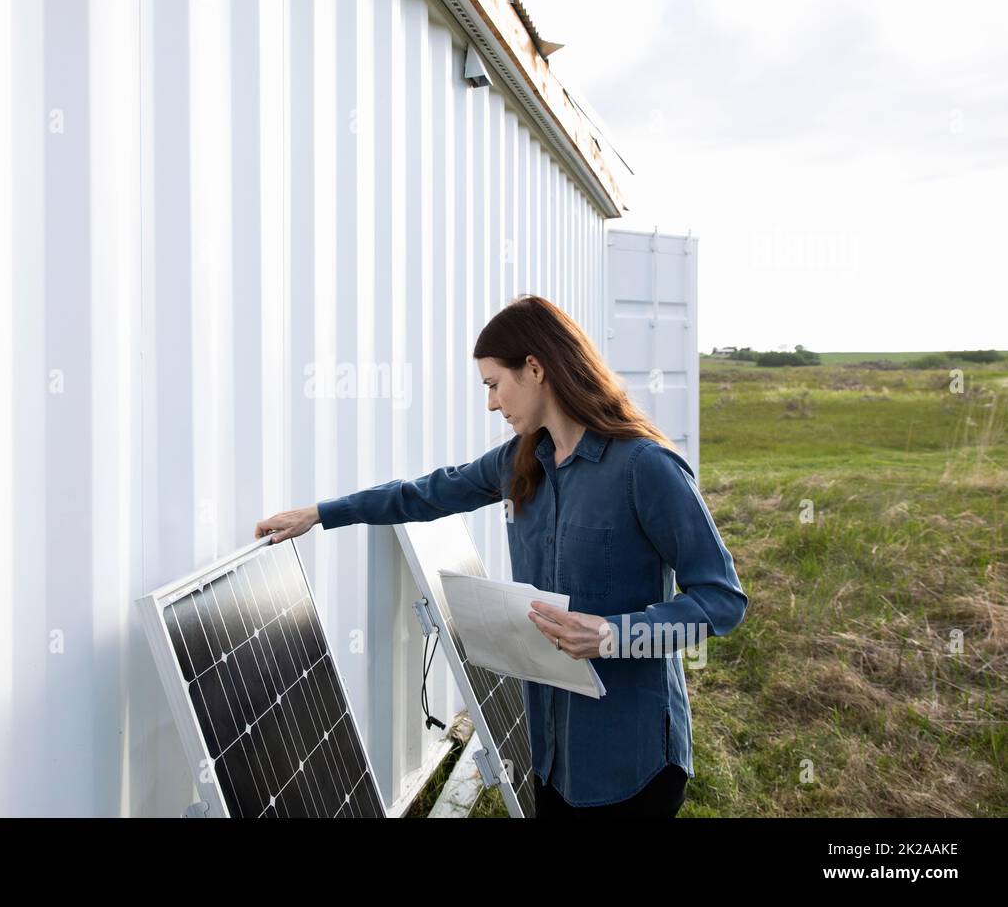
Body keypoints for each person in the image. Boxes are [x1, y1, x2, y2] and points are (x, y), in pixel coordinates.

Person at [254, 294, 748, 817]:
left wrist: (610, 635)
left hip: (630, 760)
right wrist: (320, 513)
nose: (491, 402)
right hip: (552, 755)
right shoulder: (520, 461)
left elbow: (722, 601)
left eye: (494, 383)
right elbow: (424, 494)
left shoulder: (644, 467)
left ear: (534, 368)